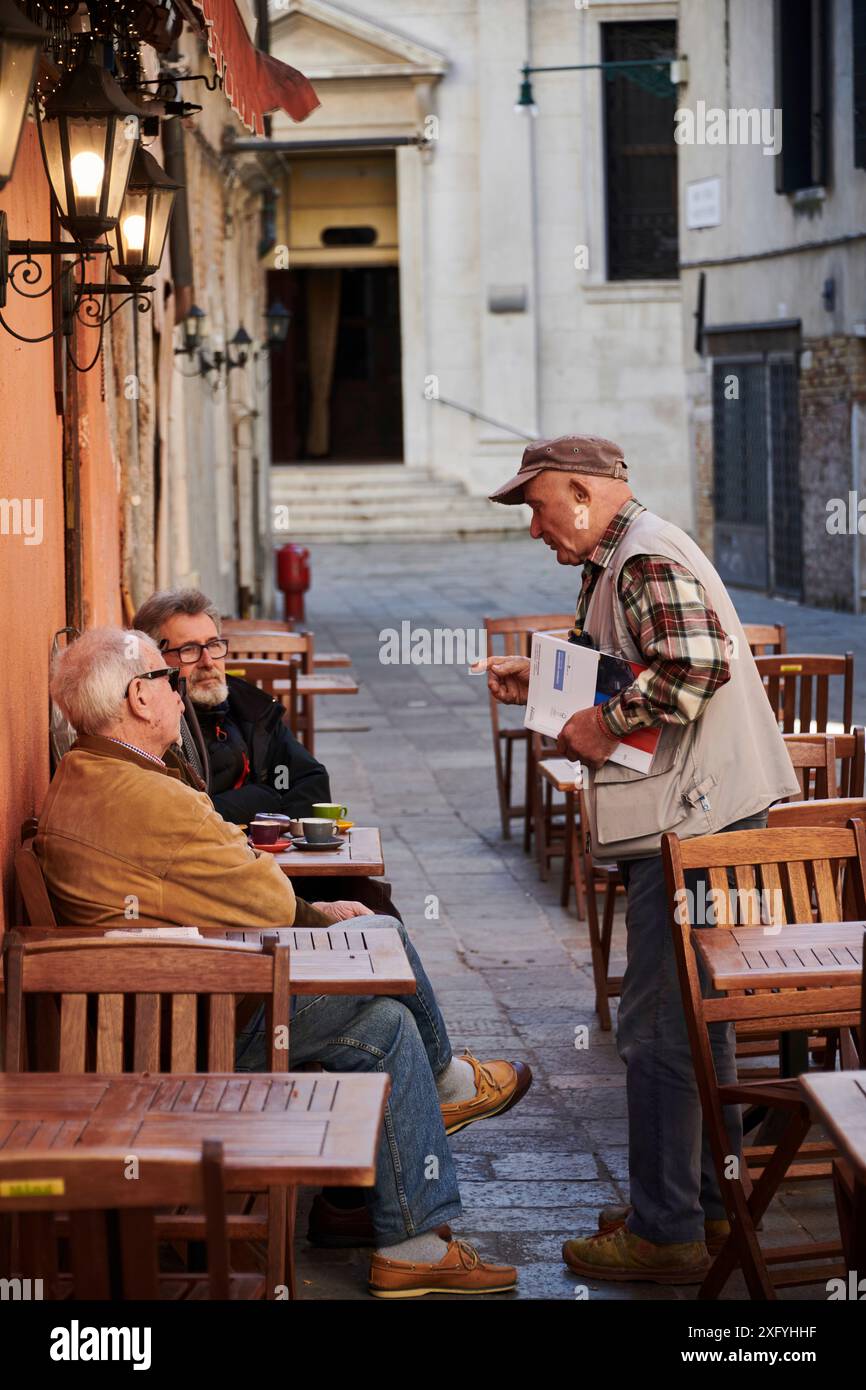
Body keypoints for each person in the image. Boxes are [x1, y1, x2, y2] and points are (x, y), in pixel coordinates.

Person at [38, 626, 532, 1298]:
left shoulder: (90, 770)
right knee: (384, 999)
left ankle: (412, 1204)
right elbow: (264, 895)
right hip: (184, 1032)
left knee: (379, 975)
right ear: (138, 699)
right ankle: (422, 1194)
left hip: (160, 1006)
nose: (181, 694)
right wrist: (311, 912)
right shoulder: (144, 795)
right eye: (167, 680)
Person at [480, 435, 799, 1285]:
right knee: (695, 1021)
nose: (534, 528)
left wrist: (601, 724)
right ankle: (690, 1203)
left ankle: (665, 1236)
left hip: (697, 824)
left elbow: (697, 667)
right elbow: (627, 660)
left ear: (582, 495)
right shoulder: (621, 554)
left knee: (658, 1024)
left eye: (538, 507)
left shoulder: (643, 556)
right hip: (708, 812)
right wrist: (539, 675)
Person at [132, 588, 397, 918]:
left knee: (376, 907)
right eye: (189, 650)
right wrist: (266, 796)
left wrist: (252, 805)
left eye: (214, 645)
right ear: (156, 661)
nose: (208, 661)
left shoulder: (250, 708)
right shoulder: (154, 725)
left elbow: (312, 782)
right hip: (224, 886)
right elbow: (189, 819)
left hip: (280, 868)